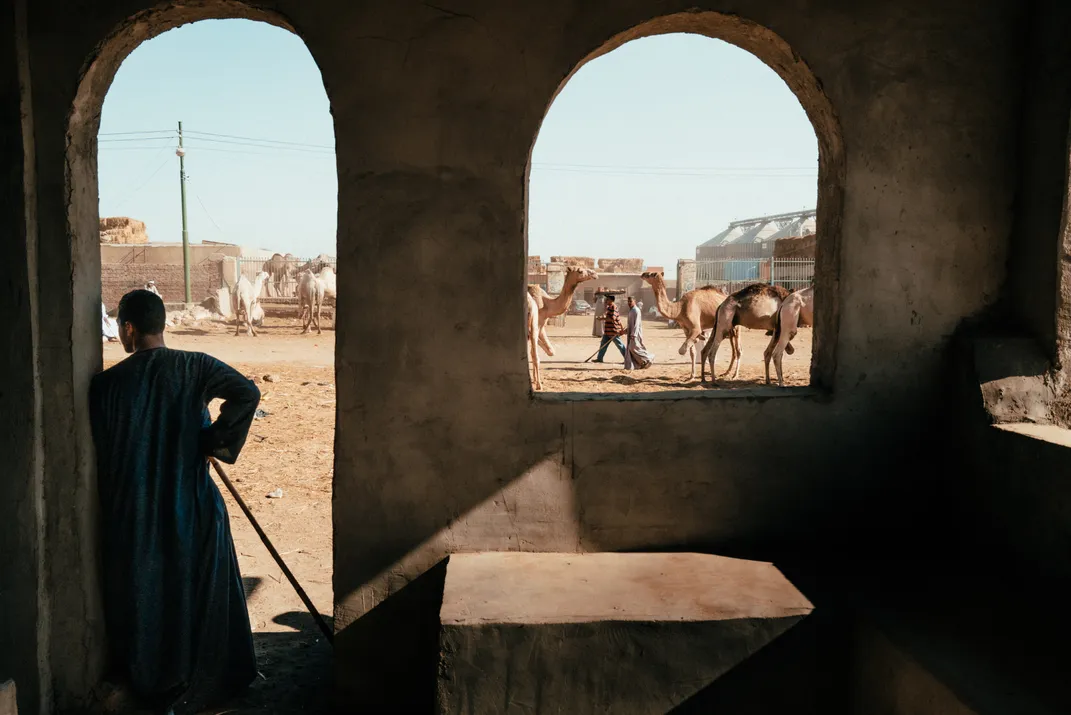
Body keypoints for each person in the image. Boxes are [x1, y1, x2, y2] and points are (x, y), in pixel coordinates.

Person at [89, 289, 261, 715]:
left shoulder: (106, 385)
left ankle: (154, 680)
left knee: (149, 594)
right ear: (161, 325)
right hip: (193, 503)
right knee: (199, 590)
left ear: (129, 329)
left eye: (122, 328)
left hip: (135, 512)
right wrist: (213, 440)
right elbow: (246, 393)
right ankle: (210, 681)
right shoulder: (195, 365)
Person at [624, 295, 654, 370]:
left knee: (634, 348)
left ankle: (649, 357)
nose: (629, 303)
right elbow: (630, 324)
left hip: (635, 334)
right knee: (632, 349)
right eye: (628, 301)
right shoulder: (631, 311)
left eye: (631, 301)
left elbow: (636, 324)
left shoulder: (636, 310)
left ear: (634, 301)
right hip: (631, 333)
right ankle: (640, 364)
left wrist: (633, 334)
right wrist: (626, 331)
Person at [594, 294, 627, 363]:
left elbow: (612, 318)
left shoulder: (614, 307)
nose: (606, 300)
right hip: (607, 331)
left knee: (620, 345)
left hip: (613, 331)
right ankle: (599, 359)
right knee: (603, 345)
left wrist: (602, 318)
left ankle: (627, 359)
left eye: (608, 299)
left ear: (611, 300)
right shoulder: (609, 307)